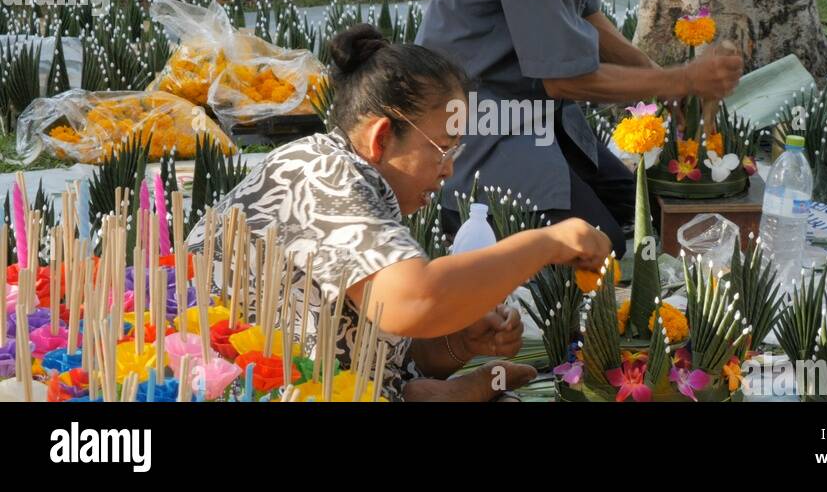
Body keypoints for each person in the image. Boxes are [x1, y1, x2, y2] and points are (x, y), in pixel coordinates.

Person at [185, 25, 612, 401]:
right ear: (383, 137)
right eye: (443, 147)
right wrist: (546, 242)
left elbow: (386, 333)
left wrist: (457, 344)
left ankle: (423, 393)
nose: (449, 169)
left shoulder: (352, 178)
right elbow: (412, 302)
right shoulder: (327, 175)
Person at [417, 0, 743, 256]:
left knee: (637, 208)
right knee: (599, 246)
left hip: (530, 108)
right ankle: (458, 219)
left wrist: (662, 80)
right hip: (475, 121)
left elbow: (586, 15)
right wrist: (678, 80)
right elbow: (564, 78)